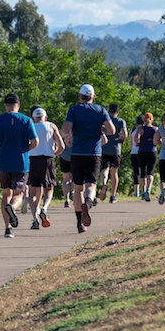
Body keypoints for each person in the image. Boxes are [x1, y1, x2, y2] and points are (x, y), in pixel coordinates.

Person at [60, 84, 116, 233]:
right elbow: (111, 130)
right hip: (94, 153)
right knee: (91, 185)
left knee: (77, 188)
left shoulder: (73, 110)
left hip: (77, 153)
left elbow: (66, 129)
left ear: (79, 96)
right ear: (93, 96)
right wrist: (100, 127)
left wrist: (70, 132)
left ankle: (80, 223)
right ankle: (89, 204)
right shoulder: (100, 110)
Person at [0, 93, 38, 238]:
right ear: (18, 104)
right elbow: (35, 142)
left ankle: (8, 228)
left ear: (5, 104)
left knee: (6, 194)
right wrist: (25, 149)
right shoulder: (26, 120)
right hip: (21, 162)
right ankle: (13, 207)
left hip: (3, 161)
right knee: (19, 194)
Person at [27, 107, 65, 229]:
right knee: (49, 188)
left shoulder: (30, 126)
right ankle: (44, 207)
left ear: (33, 117)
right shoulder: (51, 126)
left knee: (32, 191)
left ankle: (34, 218)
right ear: (45, 117)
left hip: (32, 159)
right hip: (47, 159)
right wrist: (54, 154)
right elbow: (62, 146)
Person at [98, 103, 128, 204]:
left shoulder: (105, 120)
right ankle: (113, 195)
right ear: (117, 111)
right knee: (114, 172)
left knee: (105, 169)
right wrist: (121, 140)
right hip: (116, 149)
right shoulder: (120, 121)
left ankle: (104, 183)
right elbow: (125, 134)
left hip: (104, 148)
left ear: (108, 110)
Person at [134, 113, 158, 202]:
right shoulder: (155, 129)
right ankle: (148, 189)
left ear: (144, 120)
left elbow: (136, 138)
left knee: (142, 173)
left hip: (142, 151)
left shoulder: (140, 129)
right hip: (152, 151)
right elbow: (159, 140)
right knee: (150, 172)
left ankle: (143, 192)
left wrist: (137, 144)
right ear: (152, 119)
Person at [129, 115, 142, 197]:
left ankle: (136, 192)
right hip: (142, 153)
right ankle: (144, 190)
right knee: (144, 172)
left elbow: (130, 143)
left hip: (133, 153)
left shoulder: (133, 130)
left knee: (136, 173)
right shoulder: (143, 130)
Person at [59, 139, 73, 208]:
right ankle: (74, 194)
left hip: (64, 155)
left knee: (66, 179)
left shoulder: (63, 130)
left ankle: (66, 199)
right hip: (75, 155)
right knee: (75, 179)